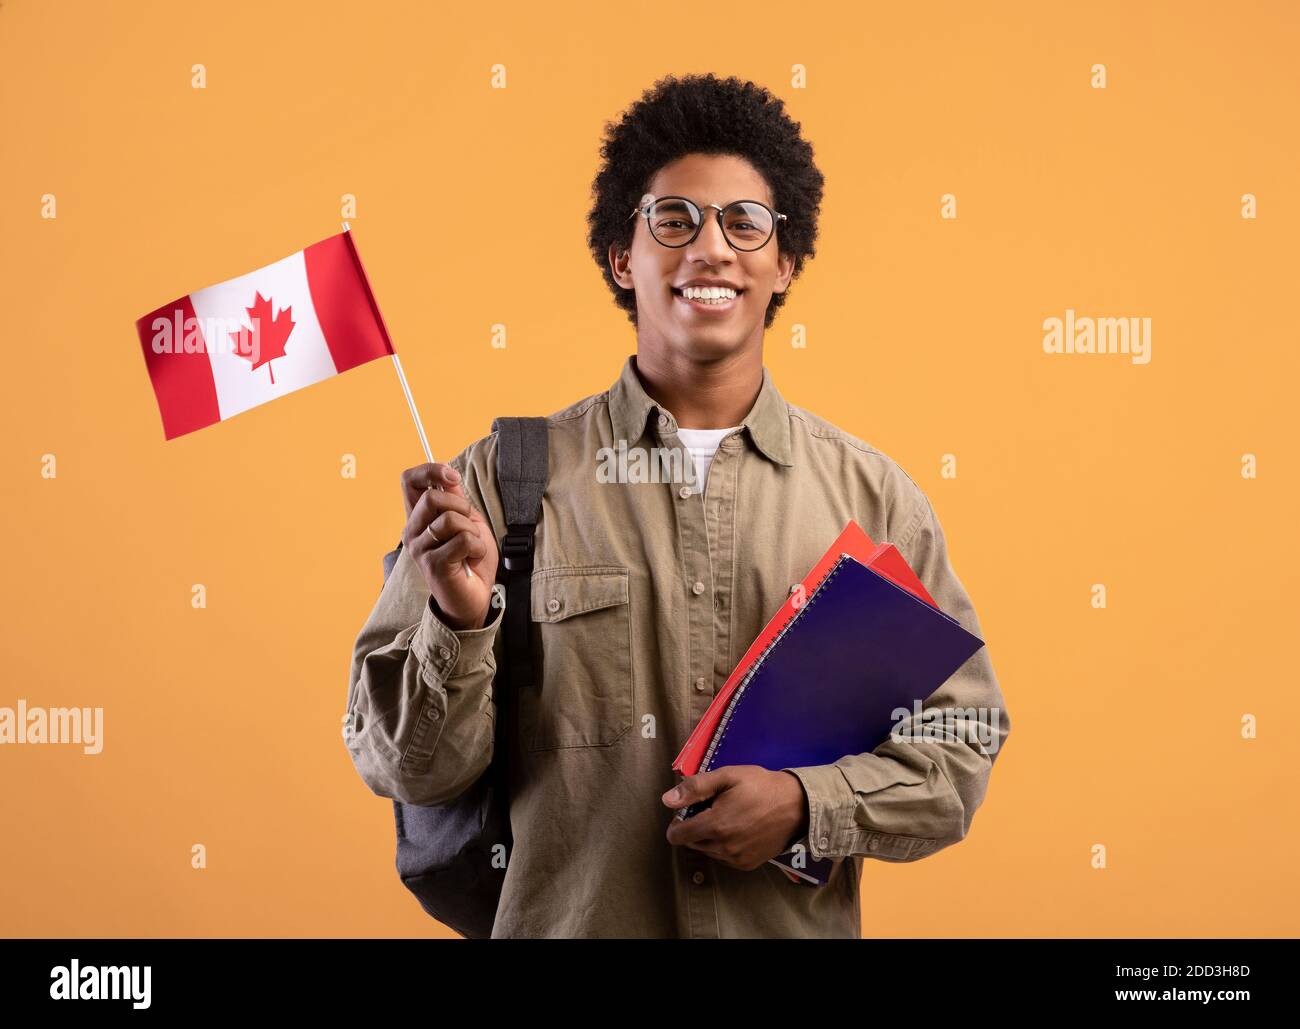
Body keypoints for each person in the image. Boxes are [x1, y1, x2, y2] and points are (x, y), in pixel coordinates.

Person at [343, 72, 1010, 938]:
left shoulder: (877, 501)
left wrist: (811, 802)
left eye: (745, 223)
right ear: (624, 257)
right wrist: (458, 619)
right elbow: (408, 768)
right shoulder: (497, 484)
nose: (712, 250)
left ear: (785, 261)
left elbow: (963, 741)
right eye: (674, 220)